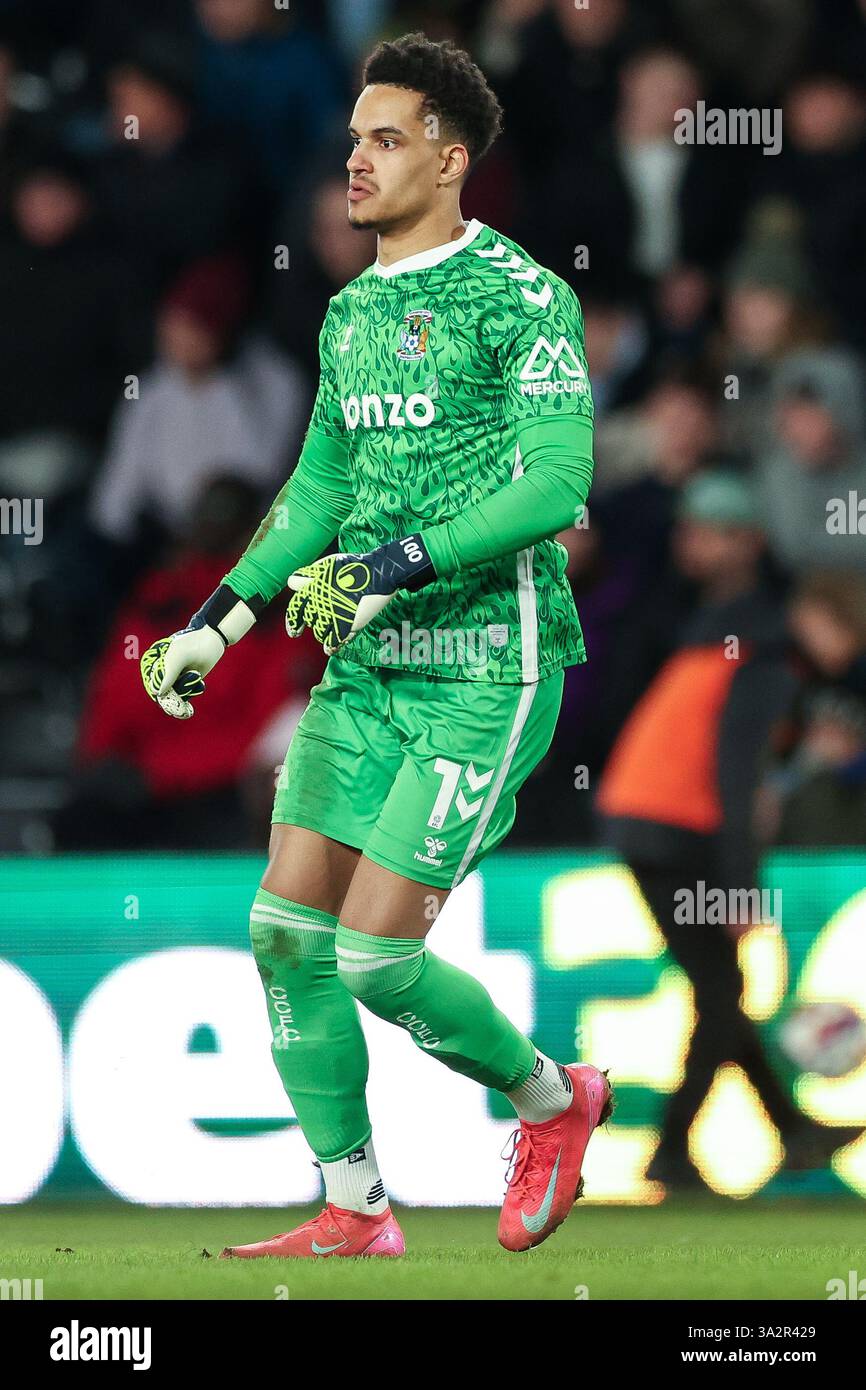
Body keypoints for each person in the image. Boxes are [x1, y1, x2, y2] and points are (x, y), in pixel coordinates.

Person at [139, 32, 610, 1258]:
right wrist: (216, 623)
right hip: (366, 673)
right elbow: (317, 492)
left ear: (449, 162)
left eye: (386, 140)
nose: (354, 159)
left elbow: (556, 486)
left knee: (374, 957)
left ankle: (551, 1099)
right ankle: (354, 1204)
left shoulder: (522, 297)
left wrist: (388, 568)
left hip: (484, 668)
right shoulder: (351, 311)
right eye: (354, 137)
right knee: (284, 936)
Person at [597, 472, 864, 1188]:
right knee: (722, 988)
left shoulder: (731, 639)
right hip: (669, 823)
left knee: (720, 988)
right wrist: (740, 887)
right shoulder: (767, 658)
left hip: (647, 816)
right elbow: (737, 777)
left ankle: (792, 1132)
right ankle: (673, 1150)